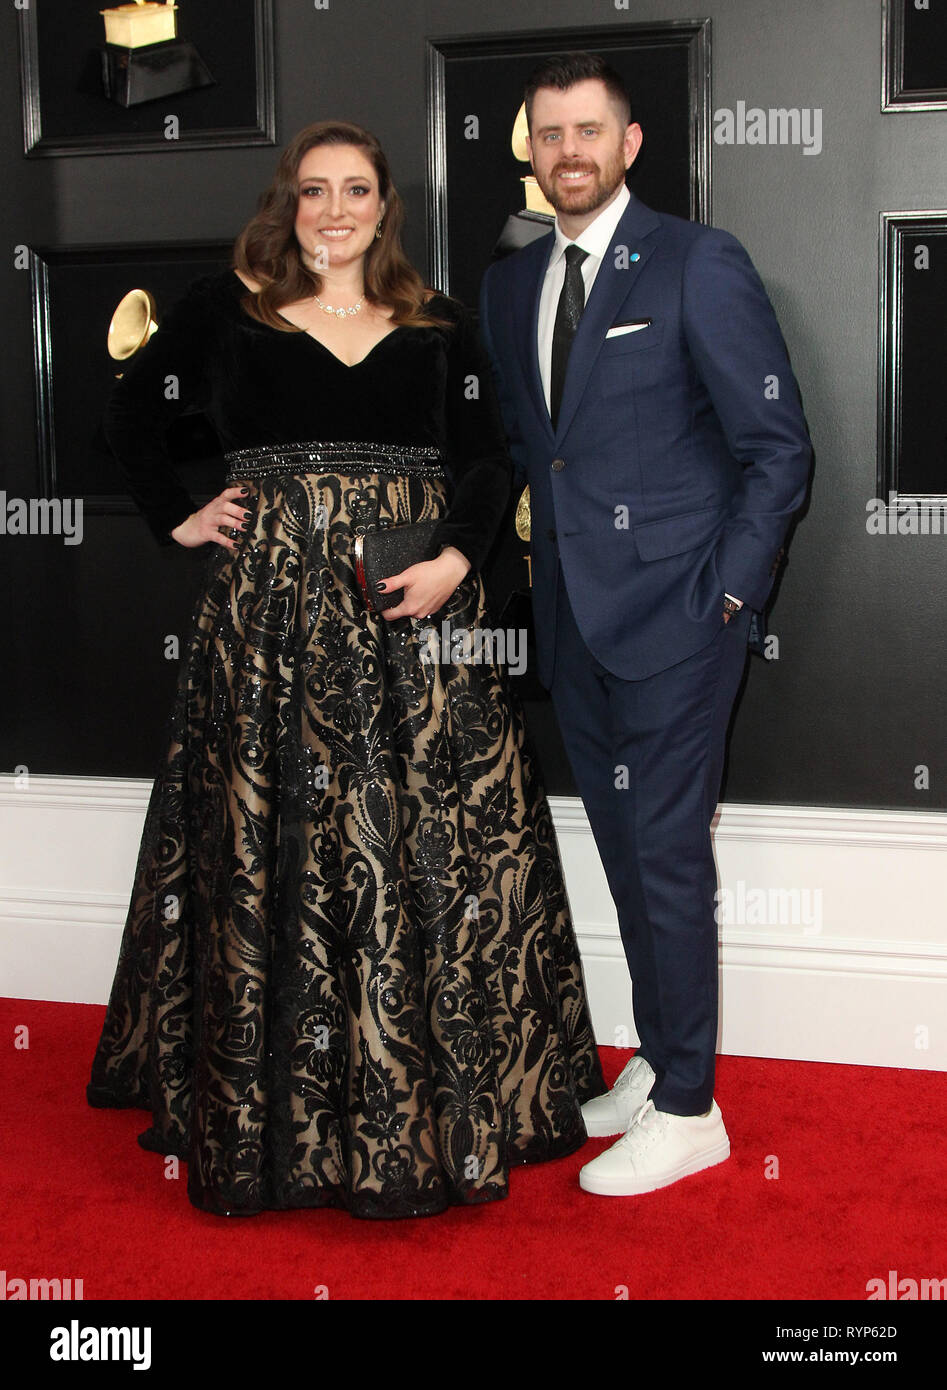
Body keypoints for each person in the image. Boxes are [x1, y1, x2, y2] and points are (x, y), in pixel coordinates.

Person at [86, 119, 606, 1220]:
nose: (334, 210)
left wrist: (460, 556)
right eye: (313, 190)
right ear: (289, 203)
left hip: (409, 612)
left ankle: (436, 1097)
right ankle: (273, 1108)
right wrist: (179, 514)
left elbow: (485, 456)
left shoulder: (436, 324)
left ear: (384, 207)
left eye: (355, 190)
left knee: (420, 842)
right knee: (267, 835)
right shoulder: (227, 310)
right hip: (267, 625)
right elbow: (133, 407)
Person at [478, 55, 812, 1197]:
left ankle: (690, 1109)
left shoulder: (693, 261)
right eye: (546, 133)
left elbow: (777, 451)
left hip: (680, 619)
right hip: (572, 619)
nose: (566, 150)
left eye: (588, 131)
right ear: (528, 150)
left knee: (664, 855)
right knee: (624, 854)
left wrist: (728, 599)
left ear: (628, 146)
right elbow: (537, 453)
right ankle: (658, 1059)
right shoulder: (510, 286)